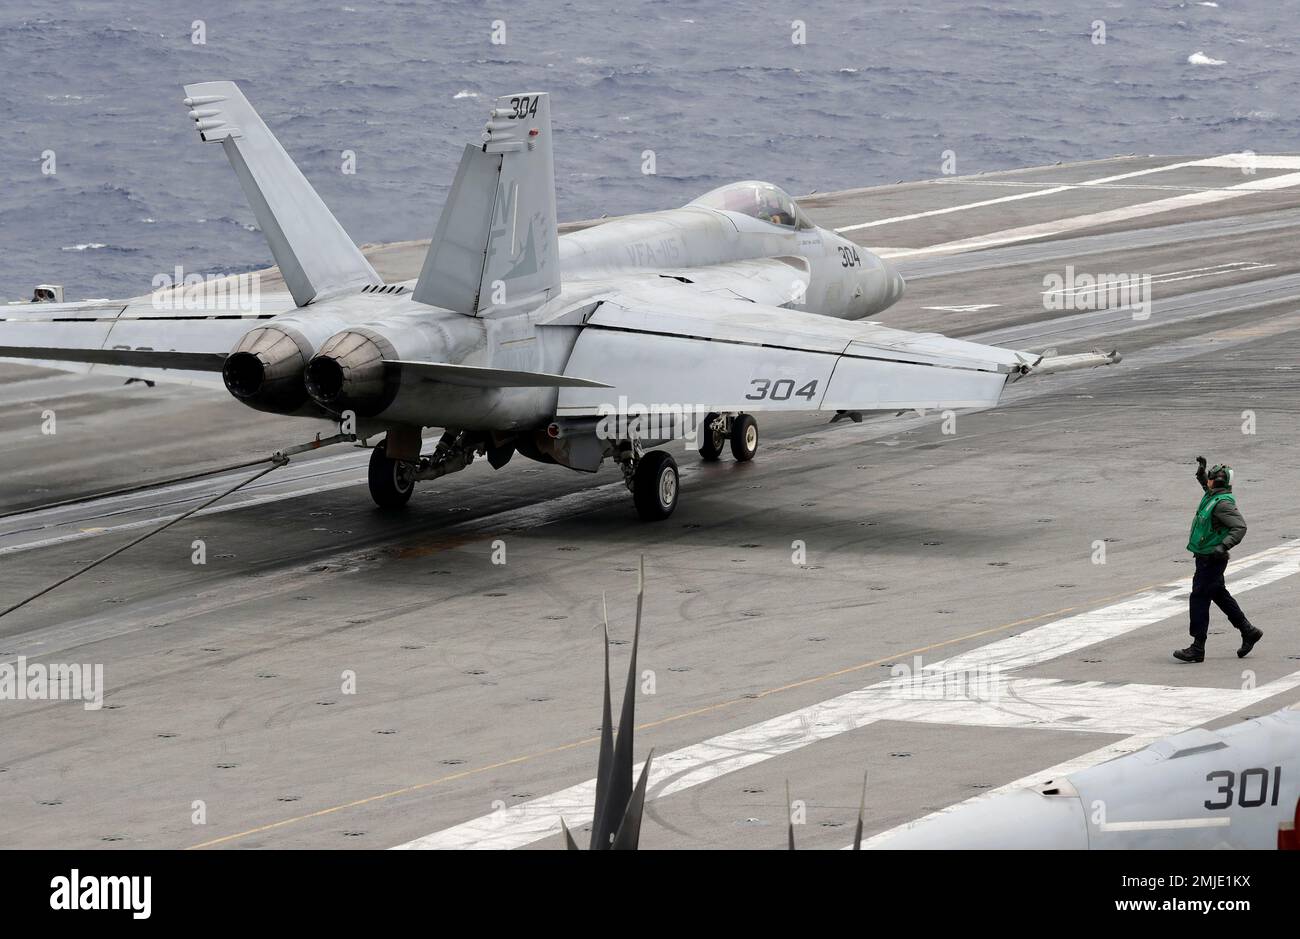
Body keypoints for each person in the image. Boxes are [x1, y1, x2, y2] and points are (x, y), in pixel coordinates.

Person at [1174, 457, 1263, 662]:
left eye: (1211, 479)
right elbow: (1207, 485)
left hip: (1212, 558)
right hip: (1206, 556)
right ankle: (1248, 631)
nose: (1208, 482)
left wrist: (1223, 546)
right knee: (1218, 594)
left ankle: (1198, 647)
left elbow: (1240, 527)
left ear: (1217, 483)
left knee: (1199, 597)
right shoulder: (1213, 495)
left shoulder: (1222, 503)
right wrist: (1201, 473)